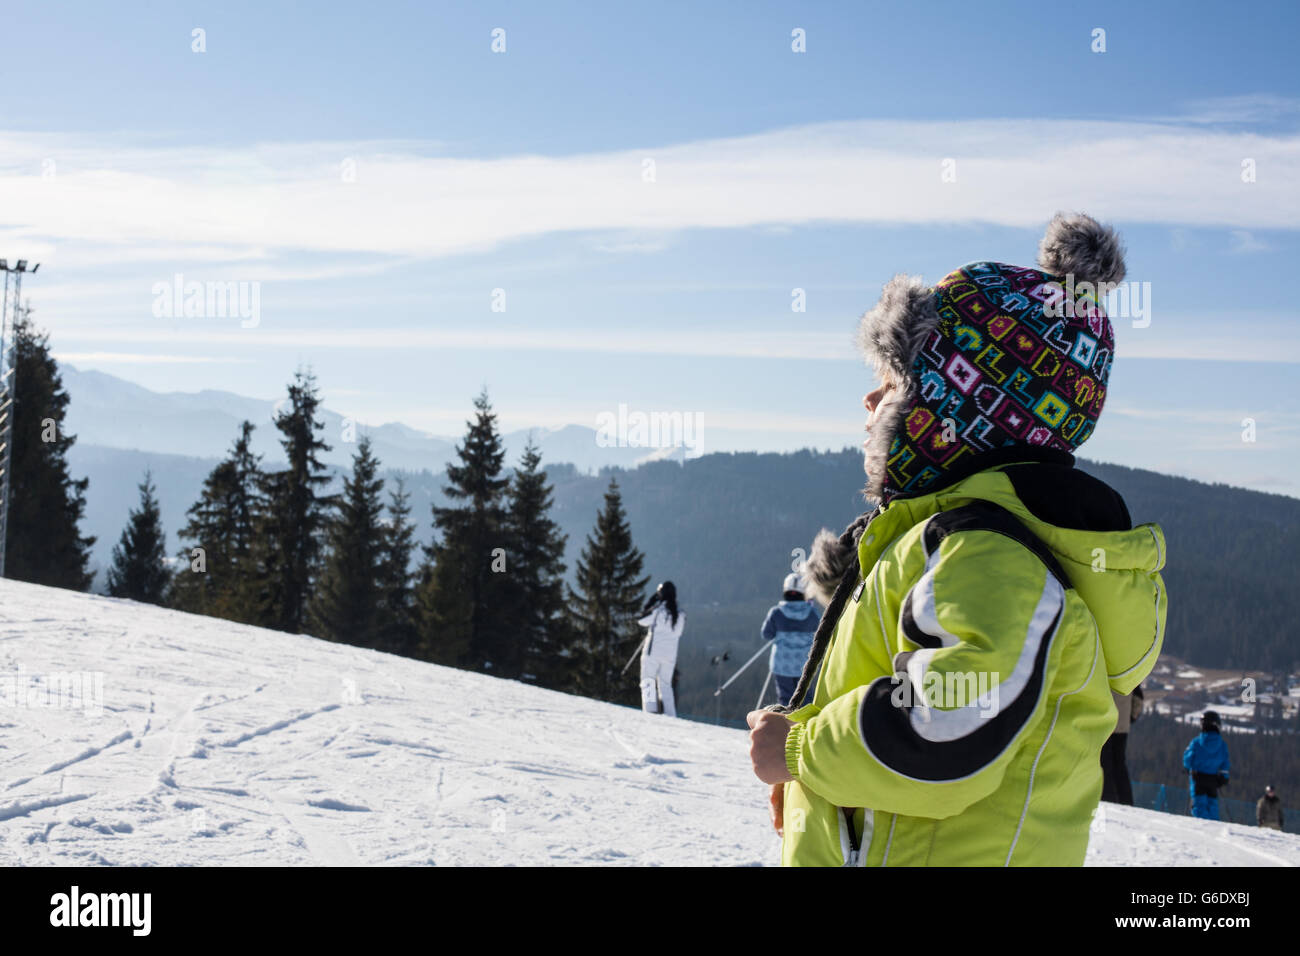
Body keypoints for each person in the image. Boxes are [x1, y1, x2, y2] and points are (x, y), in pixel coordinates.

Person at [745, 213, 1168, 866]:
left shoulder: (988, 555)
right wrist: (816, 784)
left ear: (955, 407)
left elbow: (944, 730)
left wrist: (799, 750)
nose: (869, 399)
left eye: (894, 381)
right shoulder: (951, 541)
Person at [760, 573, 821, 708]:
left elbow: (767, 634)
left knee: (785, 700)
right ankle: (804, 726)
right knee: (805, 698)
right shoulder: (812, 613)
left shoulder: (776, 613)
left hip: (782, 665)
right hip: (804, 665)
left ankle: (786, 726)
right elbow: (820, 632)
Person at [638, 581, 684, 717]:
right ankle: (670, 714)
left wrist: (650, 603)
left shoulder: (658, 611)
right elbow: (678, 633)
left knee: (648, 681)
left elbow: (641, 620)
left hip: (652, 653)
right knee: (665, 685)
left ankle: (650, 712)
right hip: (670, 656)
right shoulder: (680, 615)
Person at [1183, 710, 1230, 820]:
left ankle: (1203, 829)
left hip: (1198, 777)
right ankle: (1214, 826)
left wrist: (1188, 767)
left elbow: (1187, 758)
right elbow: (1225, 762)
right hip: (1213, 779)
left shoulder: (1196, 742)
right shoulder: (1222, 744)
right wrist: (1224, 776)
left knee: (1199, 805)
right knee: (1212, 804)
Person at [1100, 685, 1142, 805]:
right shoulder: (1126, 674)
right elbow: (1138, 699)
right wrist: (1130, 718)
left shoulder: (1104, 673)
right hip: (1122, 726)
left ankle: (1107, 797)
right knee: (1119, 764)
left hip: (1105, 723)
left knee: (1104, 762)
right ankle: (1125, 800)